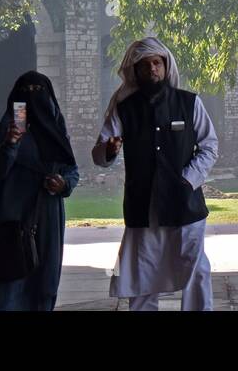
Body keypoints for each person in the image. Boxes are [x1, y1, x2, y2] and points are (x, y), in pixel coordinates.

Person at [92, 37, 218, 311]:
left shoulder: (189, 103)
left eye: (157, 63)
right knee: (142, 276)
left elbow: (209, 146)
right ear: (135, 71)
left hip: (185, 206)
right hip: (143, 207)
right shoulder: (124, 109)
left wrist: (188, 180)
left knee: (196, 272)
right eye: (146, 64)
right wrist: (110, 149)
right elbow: (99, 155)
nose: (152, 69)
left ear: (165, 65)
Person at [0, 71, 79, 310]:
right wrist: (10, 144)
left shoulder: (56, 128)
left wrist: (63, 183)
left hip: (47, 214)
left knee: (45, 280)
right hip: (13, 213)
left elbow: (71, 170)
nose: (32, 97)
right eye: (26, 92)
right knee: (10, 280)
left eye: (38, 91)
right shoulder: (11, 125)